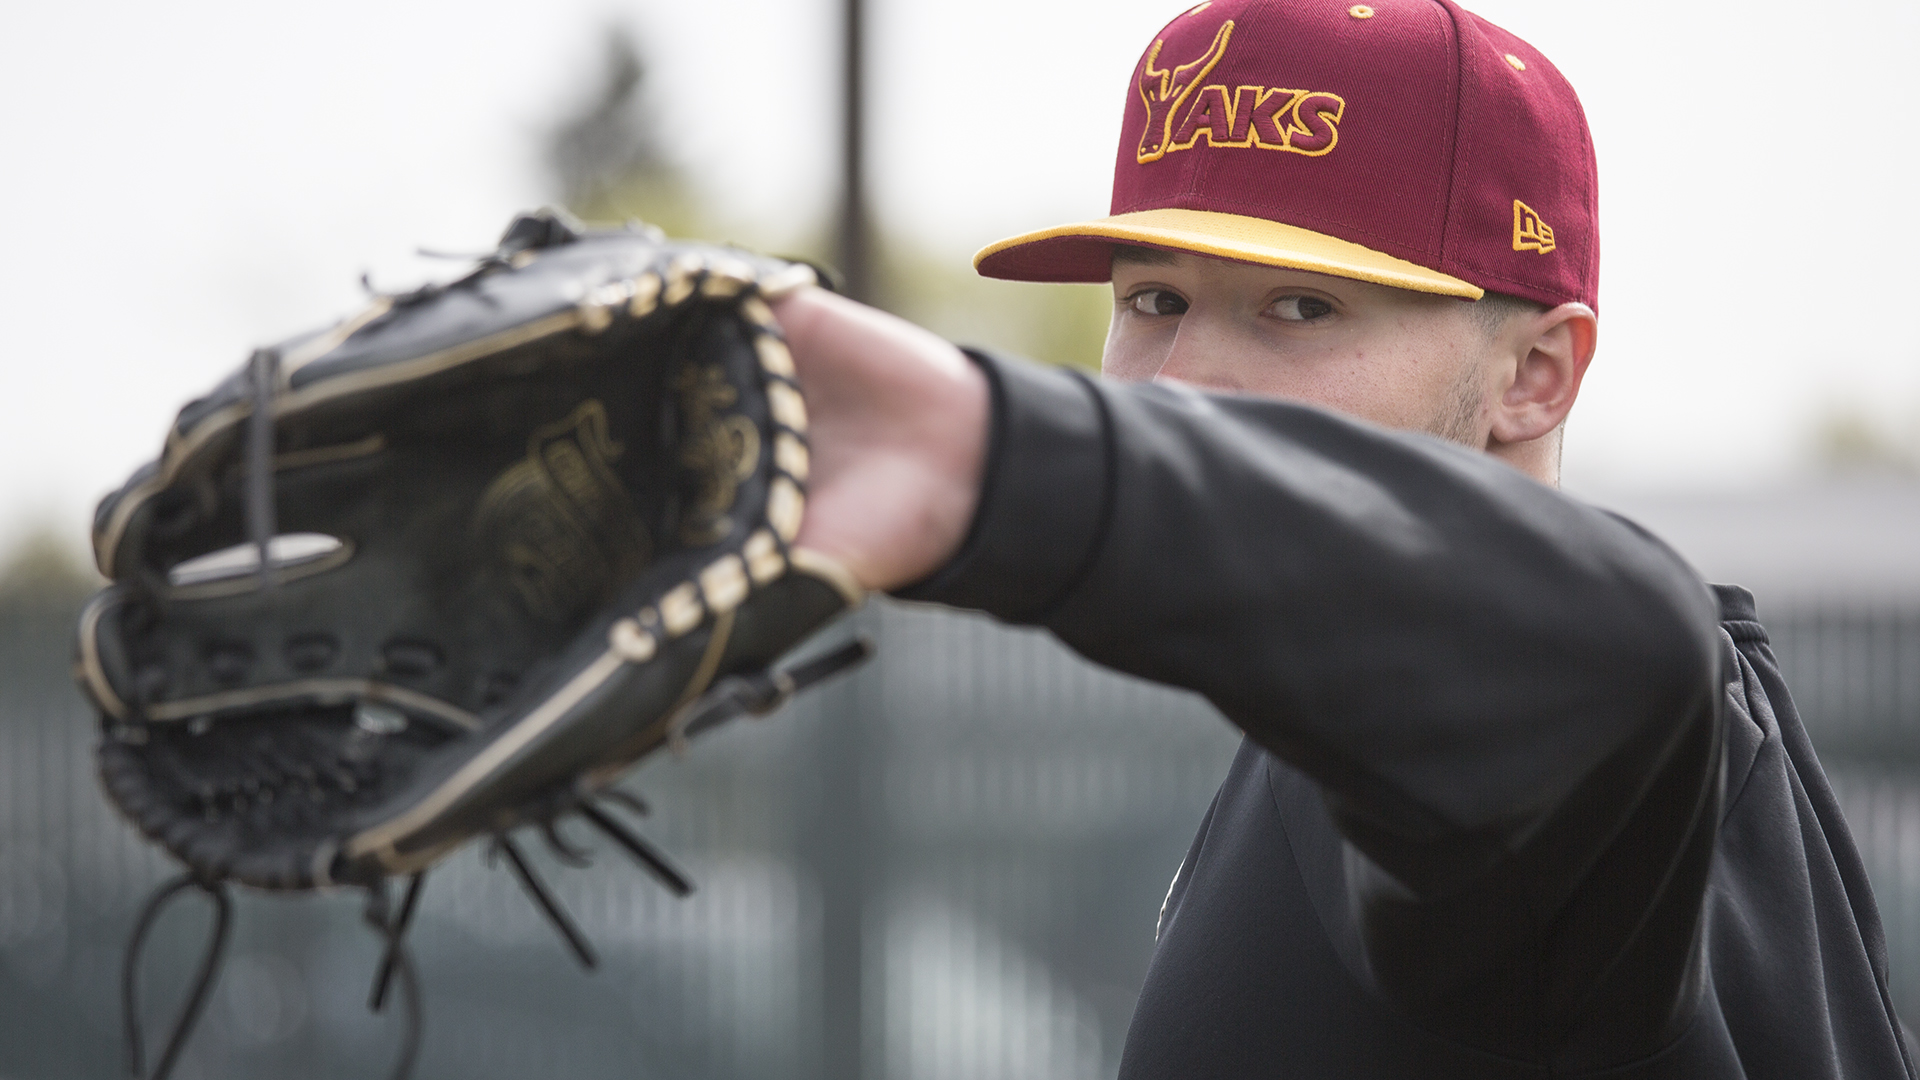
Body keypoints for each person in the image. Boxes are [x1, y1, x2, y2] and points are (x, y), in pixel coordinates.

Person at [770, 0, 1916, 1075]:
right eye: (1154, 300)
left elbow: (1616, 659)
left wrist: (988, 453)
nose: (1180, 382)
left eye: (1301, 306)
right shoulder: (1348, 720)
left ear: (1534, 375)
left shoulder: (1561, 753)